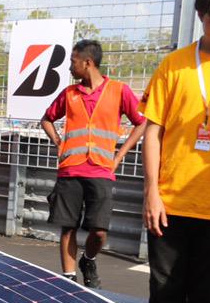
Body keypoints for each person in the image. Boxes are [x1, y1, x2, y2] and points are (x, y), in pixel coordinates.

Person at [138, 0, 210, 303]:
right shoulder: (175, 65)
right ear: (202, 17)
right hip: (171, 202)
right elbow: (153, 131)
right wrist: (152, 189)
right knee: (165, 298)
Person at [40, 40, 146, 287]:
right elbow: (47, 119)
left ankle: (88, 259)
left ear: (87, 62)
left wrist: (119, 156)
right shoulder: (69, 94)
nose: (69, 67)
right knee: (68, 227)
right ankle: (69, 280)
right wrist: (58, 142)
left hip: (101, 170)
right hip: (70, 170)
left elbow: (141, 122)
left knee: (99, 231)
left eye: (73, 61)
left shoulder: (119, 90)